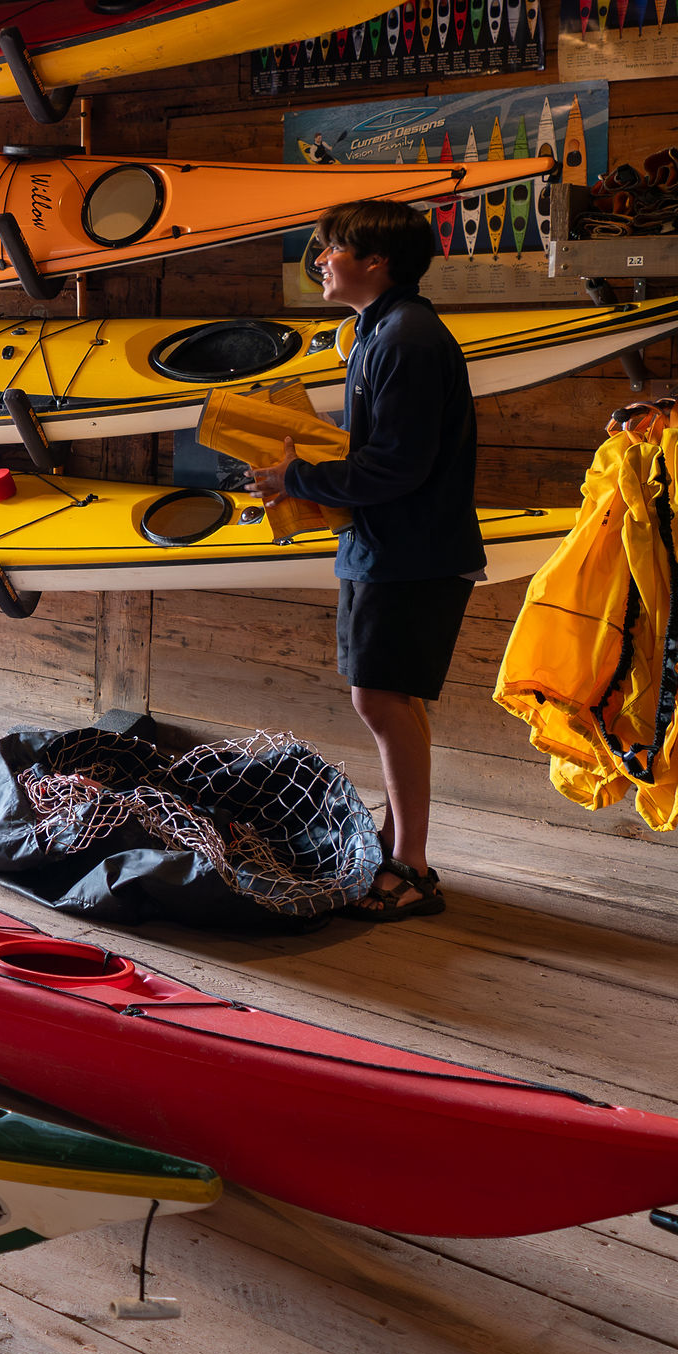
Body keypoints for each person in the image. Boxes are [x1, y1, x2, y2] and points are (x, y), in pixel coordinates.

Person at [253, 199, 482, 919]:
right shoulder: (380, 331)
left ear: (374, 260)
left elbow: (395, 467)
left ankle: (411, 866)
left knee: (380, 697)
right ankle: (396, 843)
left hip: (407, 549)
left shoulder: (405, 337)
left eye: (331, 249)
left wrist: (296, 479)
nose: (320, 260)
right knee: (392, 697)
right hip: (391, 545)